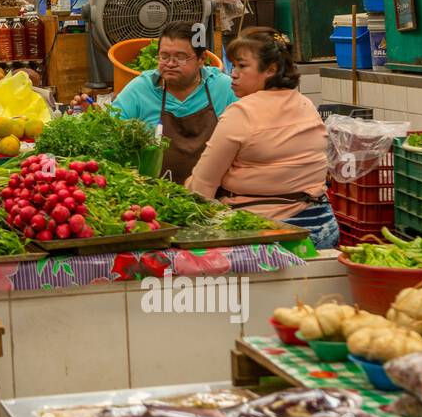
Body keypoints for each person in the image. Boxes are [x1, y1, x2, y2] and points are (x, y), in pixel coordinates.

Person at [187, 28, 339, 248]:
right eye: (233, 66)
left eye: (242, 66)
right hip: (322, 228)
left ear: (271, 69)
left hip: (264, 234)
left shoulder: (241, 112)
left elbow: (203, 186)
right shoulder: (305, 104)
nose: (233, 73)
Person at [114, 21, 237, 183]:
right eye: (164, 56)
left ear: (202, 59)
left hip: (214, 192)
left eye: (181, 57)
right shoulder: (141, 89)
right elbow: (112, 130)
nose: (170, 64)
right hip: (153, 194)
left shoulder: (223, 88)